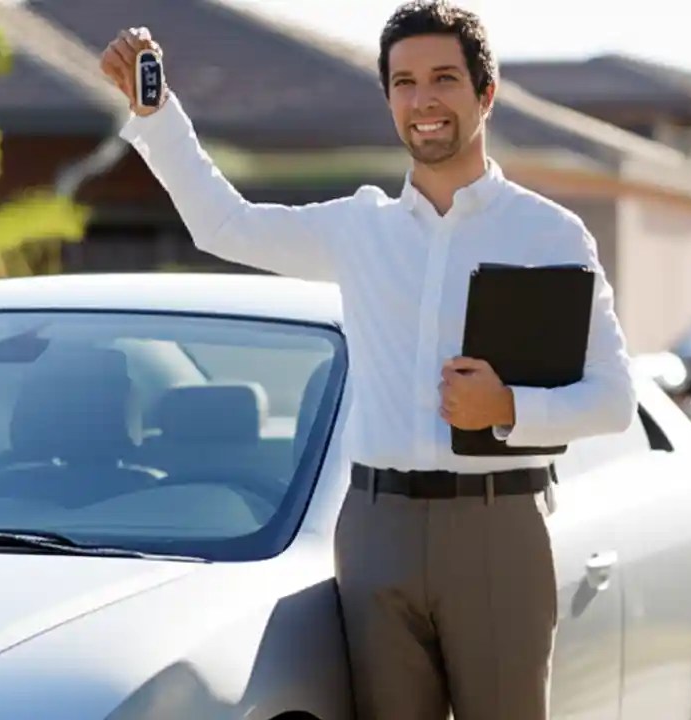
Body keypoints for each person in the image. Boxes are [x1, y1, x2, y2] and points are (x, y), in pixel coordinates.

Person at [99, 2, 636, 718]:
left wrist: (509, 409)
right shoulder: (359, 228)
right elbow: (222, 223)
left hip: (497, 528)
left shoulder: (550, 234)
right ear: (388, 99)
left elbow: (613, 398)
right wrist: (157, 113)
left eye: (444, 79)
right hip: (374, 529)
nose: (424, 101)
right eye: (404, 83)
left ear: (486, 92)